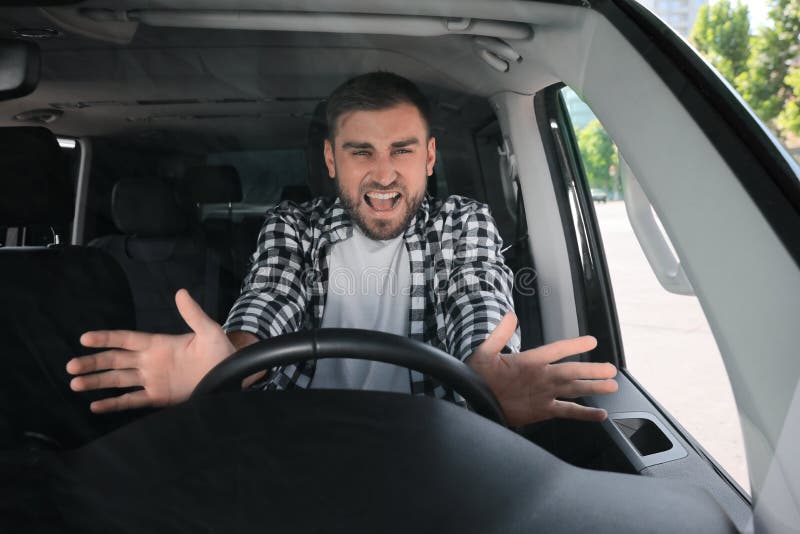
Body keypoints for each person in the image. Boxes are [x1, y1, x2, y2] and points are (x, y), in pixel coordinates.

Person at [66, 72, 617, 426]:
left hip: (433, 439)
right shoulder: (294, 226)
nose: (382, 174)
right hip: (297, 441)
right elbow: (269, 296)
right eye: (361, 153)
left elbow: (475, 294)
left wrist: (483, 367)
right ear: (332, 162)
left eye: (400, 150)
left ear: (428, 158)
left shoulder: (461, 221)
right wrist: (232, 357)